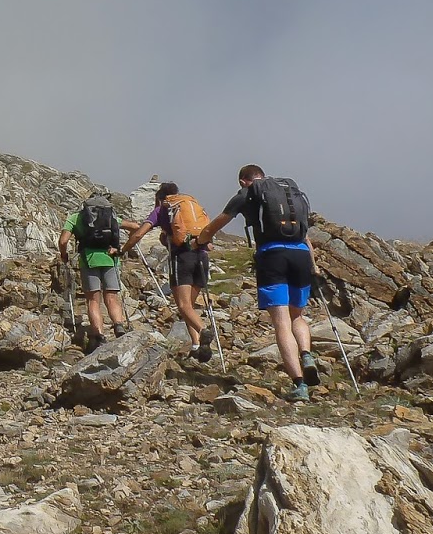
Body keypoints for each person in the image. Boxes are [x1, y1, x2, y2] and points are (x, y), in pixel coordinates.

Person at [195, 164, 320, 402]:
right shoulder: (287, 193)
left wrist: (201, 239)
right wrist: (313, 267)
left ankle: (299, 384)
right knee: (297, 316)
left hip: (272, 257)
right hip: (301, 256)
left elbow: (219, 222)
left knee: (281, 322)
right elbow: (305, 236)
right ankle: (306, 354)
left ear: (244, 180)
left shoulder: (247, 194)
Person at [118, 181, 214, 362]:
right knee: (189, 307)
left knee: (184, 306)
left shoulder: (162, 209)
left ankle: (203, 331)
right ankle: (196, 346)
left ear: (159, 197)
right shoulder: (189, 206)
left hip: (182, 259)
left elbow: (139, 234)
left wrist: (123, 250)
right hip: (201, 257)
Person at [57, 193, 136, 349]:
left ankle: (99, 336)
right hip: (111, 259)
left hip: (89, 260)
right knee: (112, 297)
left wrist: (64, 255)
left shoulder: (76, 217)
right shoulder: (109, 216)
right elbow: (135, 227)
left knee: (93, 300)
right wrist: (121, 249)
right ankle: (118, 326)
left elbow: (63, 241)